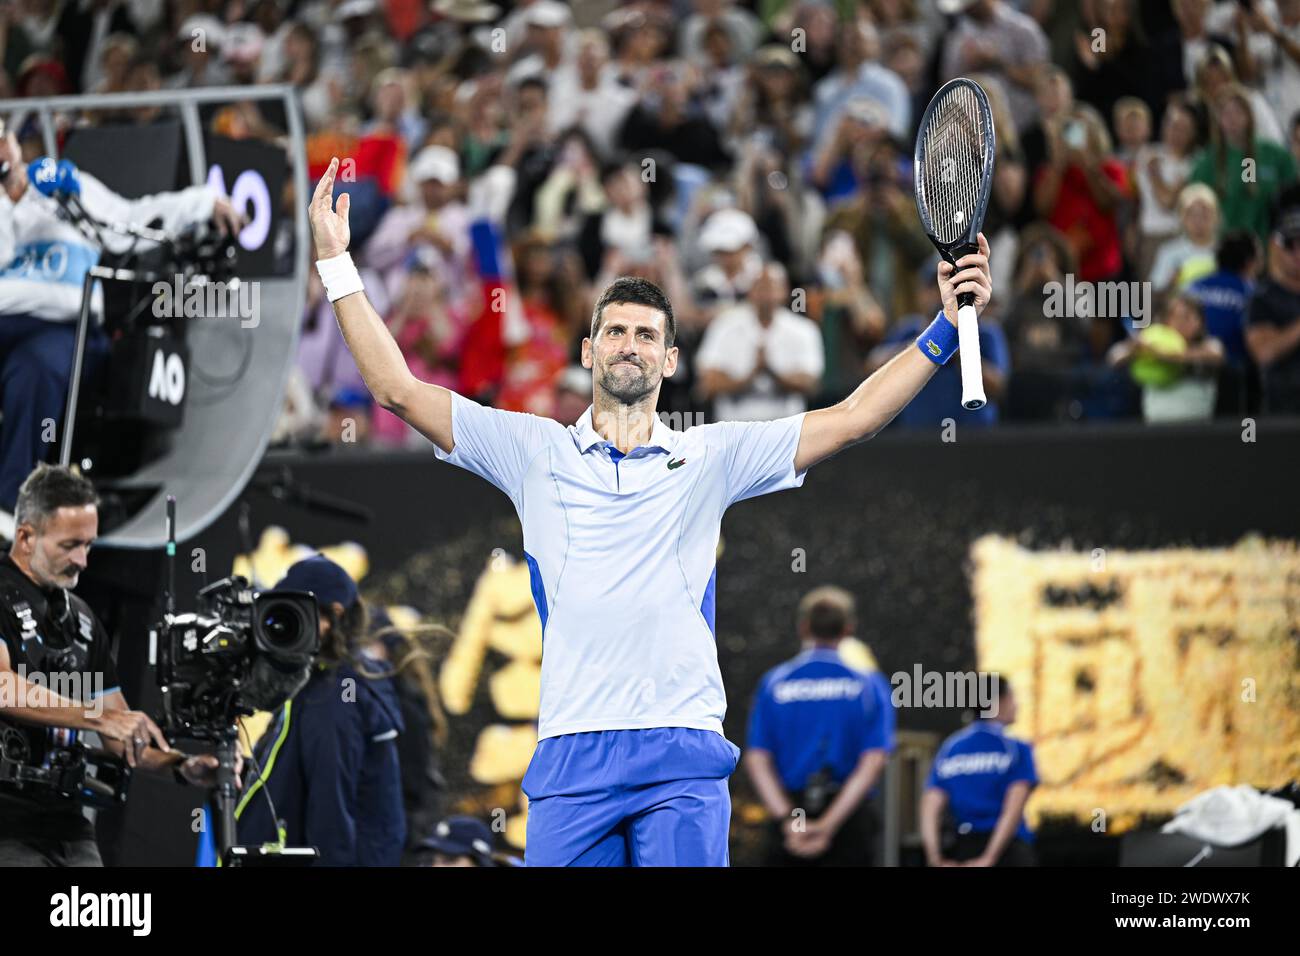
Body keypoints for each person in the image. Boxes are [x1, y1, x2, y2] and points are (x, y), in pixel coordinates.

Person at [307, 154, 993, 866]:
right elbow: (395, 389)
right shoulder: (532, 449)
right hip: (572, 757)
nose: (628, 345)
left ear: (669, 360)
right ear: (589, 350)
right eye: (615, 332)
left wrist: (943, 330)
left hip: (680, 749)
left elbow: (852, 417)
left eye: (645, 336)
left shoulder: (710, 455)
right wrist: (336, 265)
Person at [0, 121, 241, 538]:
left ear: (14, 143)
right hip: (8, 319)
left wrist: (203, 202)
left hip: (62, 327)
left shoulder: (65, 187)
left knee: (37, 369)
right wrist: (10, 200)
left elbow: (131, 220)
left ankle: (8, 509)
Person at [0, 464, 226, 867]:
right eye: (69, 545)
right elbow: (3, 688)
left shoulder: (83, 620)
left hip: (68, 825)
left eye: (89, 545)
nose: (83, 560)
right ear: (26, 536)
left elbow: (122, 733)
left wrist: (181, 765)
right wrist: (98, 718)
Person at [236, 554, 406, 866]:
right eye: (280, 612)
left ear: (336, 616)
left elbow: (332, 818)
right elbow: (297, 781)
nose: (285, 624)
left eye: (301, 612)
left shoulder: (337, 695)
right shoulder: (318, 684)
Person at [744, 586, 894, 866]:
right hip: (850, 821)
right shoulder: (869, 685)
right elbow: (873, 760)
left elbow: (757, 758)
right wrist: (829, 824)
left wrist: (788, 820)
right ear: (849, 629)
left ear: (803, 627)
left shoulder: (774, 683)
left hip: (790, 817)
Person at [921, 675, 1038, 867]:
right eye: (1011, 697)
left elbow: (930, 806)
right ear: (996, 702)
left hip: (963, 848)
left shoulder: (951, 748)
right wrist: (989, 858)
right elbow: (1013, 809)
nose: (1017, 705)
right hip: (1008, 850)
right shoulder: (1016, 749)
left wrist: (935, 859)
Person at [695, 261, 824, 421]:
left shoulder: (804, 329)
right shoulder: (724, 325)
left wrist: (772, 371)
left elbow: (810, 384)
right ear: (750, 291)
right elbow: (708, 383)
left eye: (771, 287)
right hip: (733, 429)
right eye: (759, 286)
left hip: (786, 430)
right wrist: (749, 377)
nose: (766, 293)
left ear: (784, 290)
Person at [1245, 206, 1300, 412]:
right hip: (1284, 409)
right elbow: (1264, 352)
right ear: (1276, 248)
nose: (1297, 252)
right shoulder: (1263, 298)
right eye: (1289, 244)